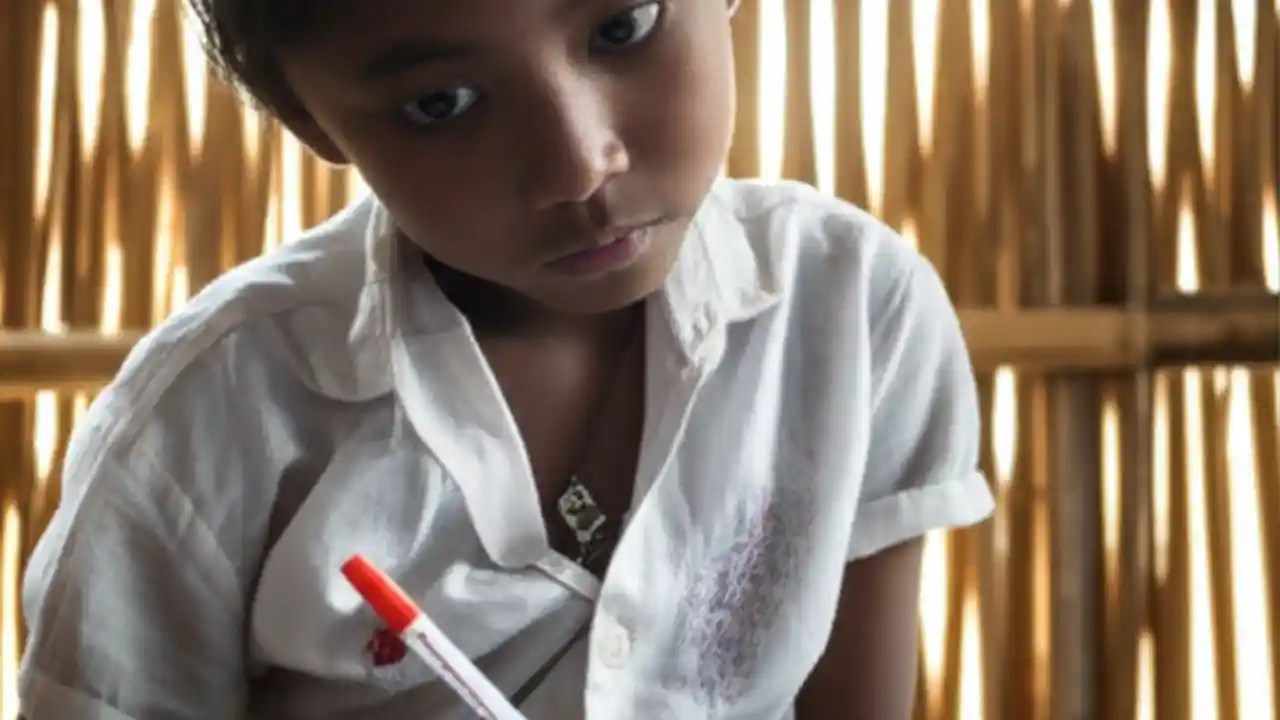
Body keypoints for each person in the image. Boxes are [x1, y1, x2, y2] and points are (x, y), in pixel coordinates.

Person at [17, 0, 995, 717]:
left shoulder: (854, 312)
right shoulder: (215, 413)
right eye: (441, 101)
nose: (577, 164)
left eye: (621, 27)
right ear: (312, 121)